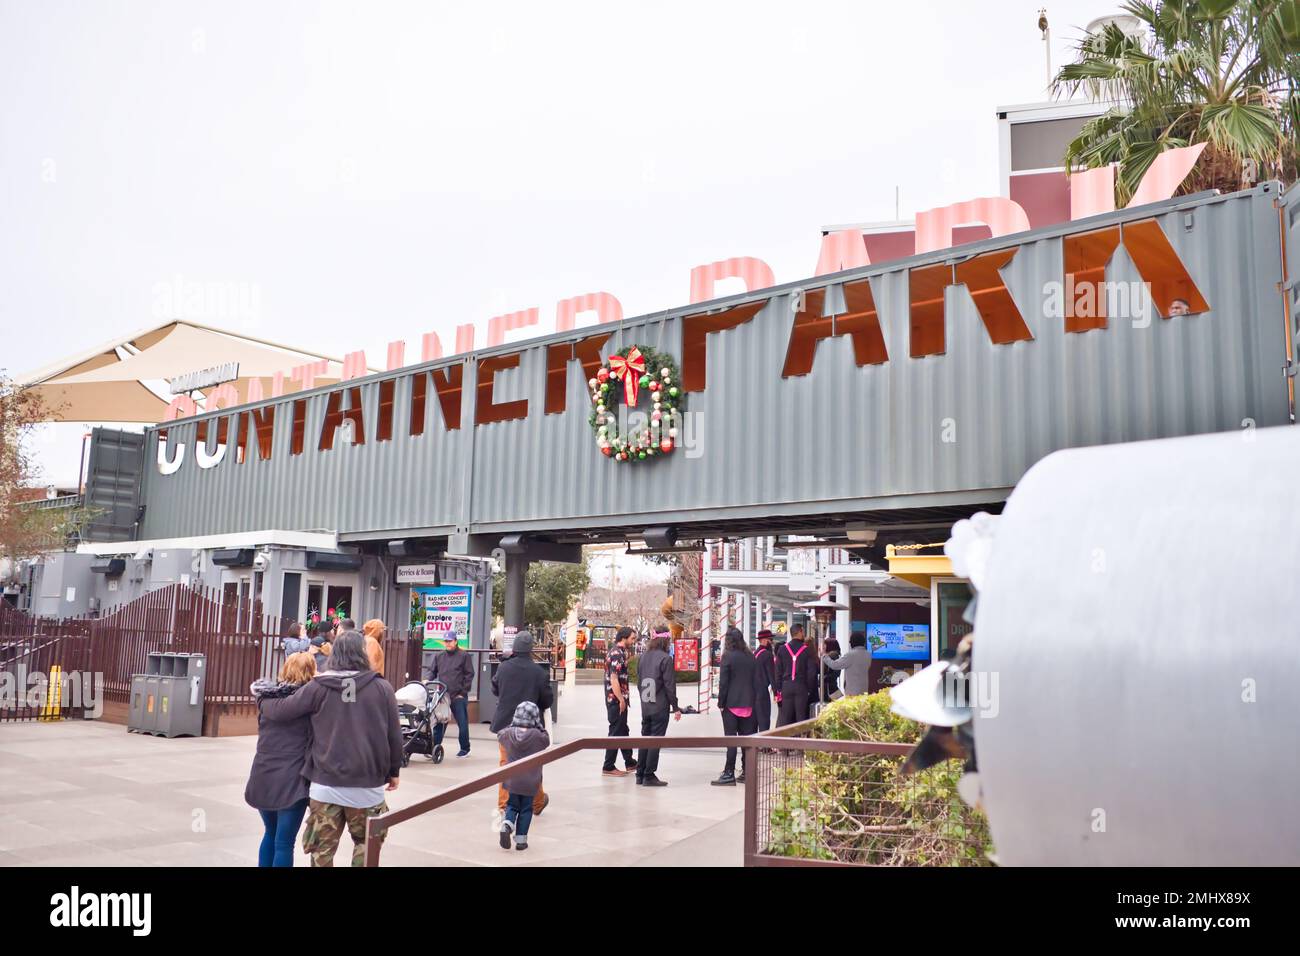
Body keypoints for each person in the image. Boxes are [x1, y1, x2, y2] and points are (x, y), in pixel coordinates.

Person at [256, 632, 403, 867]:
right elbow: (394, 734)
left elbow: (284, 709)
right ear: (362, 654)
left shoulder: (318, 687)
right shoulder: (382, 688)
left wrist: (263, 697)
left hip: (325, 784)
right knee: (366, 845)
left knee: (322, 852)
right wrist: (394, 769)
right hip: (367, 784)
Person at [245, 651, 316, 867]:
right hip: (292, 779)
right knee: (284, 842)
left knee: (270, 833)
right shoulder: (309, 704)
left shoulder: (266, 700)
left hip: (263, 775)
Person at [491, 631, 553, 817]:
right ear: (530, 649)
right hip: (531, 728)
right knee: (532, 765)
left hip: (505, 725)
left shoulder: (504, 668)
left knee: (506, 763)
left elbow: (495, 689)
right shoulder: (539, 673)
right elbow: (547, 700)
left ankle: (503, 806)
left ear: (515, 648)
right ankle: (537, 802)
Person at [497, 701, 550, 851]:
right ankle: (521, 840)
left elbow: (500, 735)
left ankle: (507, 824)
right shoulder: (537, 736)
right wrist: (539, 726)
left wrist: (511, 725)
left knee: (512, 806)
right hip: (530, 782)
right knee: (526, 809)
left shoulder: (509, 734)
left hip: (512, 780)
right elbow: (547, 739)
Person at [634, 632, 682, 786]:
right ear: (665, 640)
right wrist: (675, 707)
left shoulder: (643, 657)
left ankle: (640, 773)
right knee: (655, 739)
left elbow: (638, 680)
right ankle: (649, 775)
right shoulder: (665, 658)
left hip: (645, 704)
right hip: (659, 705)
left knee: (645, 738)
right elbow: (669, 686)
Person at [712, 627, 757, 786]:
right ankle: (747, 771)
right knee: (747, 740)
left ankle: (729, 773)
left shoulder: (727, 657)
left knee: (731, 739)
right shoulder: (751, 656)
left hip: (731, 704)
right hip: (749, 704)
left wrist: (721, 703)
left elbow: (724, 683)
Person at [427, 633, 474, 757]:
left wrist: (463, 693)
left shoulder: (464, 656)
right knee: (440, 723)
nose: (447, 643)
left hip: (458, 695)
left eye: (450, 641)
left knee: (462, 723)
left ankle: (465, 748)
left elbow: (469, 675)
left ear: (456, 641)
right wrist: (427, 680)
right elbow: (432, 671)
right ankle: (434, 748)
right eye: (446, 641)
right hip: (443, 695)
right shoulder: (439, 656)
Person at [601, 626, 638, 777]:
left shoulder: (619, 653)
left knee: (622, 730)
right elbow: (614, 679)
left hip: (617, 699)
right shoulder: (617, 654)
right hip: (616, 700)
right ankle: (608, 766)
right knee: (616, 732)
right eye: (632, 638)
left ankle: (629, 762)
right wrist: (621, 699)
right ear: (624, 638)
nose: (633, 641)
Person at [774, 624, 819, 726]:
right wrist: (808, 689)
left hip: (786, 686)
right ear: (800, 631)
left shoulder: (782, 649)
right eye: (803, 632)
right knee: (801, 718)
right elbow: (811, 673)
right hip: (801, 686)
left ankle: (785, 740)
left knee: (786, 718)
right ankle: (800, 739)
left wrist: (779, 688)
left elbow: (777, 671)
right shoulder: (807, 650)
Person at [825, 632, 873, 697]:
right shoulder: (868, 655)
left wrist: (824, 657)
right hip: (864, 689)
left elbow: (834, 665)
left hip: (852, 692)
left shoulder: (850, 655)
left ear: (852, 643)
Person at [752, 629, 777, 732]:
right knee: (764, 721)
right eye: (770, 639)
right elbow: (772, 675)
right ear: (763, 640)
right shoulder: (767, 654)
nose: (771, 642)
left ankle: (754, 746)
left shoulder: (755, 653)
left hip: (752, 692)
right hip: (762, 692)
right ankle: (764, 747)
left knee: (754, 722)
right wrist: (776, 692)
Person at [821, 638, 842, 703]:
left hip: (829, 688)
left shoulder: (832, 655)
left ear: (829, 645)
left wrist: (823, 679)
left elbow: (835, 672)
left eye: (825, 644)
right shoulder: (834, 655)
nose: (823, 646)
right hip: (831, 687)